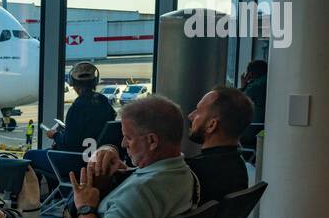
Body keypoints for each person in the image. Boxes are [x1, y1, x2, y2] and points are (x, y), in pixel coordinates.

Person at [66, 95, 197, 218]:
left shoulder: (142, 192)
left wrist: (84, 206)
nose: (123, 144)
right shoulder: (181, 172)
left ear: (152, 141)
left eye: (128, 137)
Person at [87, 86, 250, 208]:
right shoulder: (238, 168)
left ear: (211, 125)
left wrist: (108, 150)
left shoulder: (186, 175)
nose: (191, 115)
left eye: (198, 111)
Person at [24, 61, 115, 187]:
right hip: (98, 160)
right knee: (49, 153)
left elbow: (69, 144)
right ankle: (59, 194)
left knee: (30, 155)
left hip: (77, 161)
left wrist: (55, 135)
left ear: (73, 84)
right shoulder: (104, 102)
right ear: (95, 81)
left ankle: (35, 201)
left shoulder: (77, 108)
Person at [240, 59, 268, 124]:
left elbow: (239, 101)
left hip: (256, 124)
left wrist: (243, 87)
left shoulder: (255, 86)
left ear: (250, 73)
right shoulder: (268, 81)